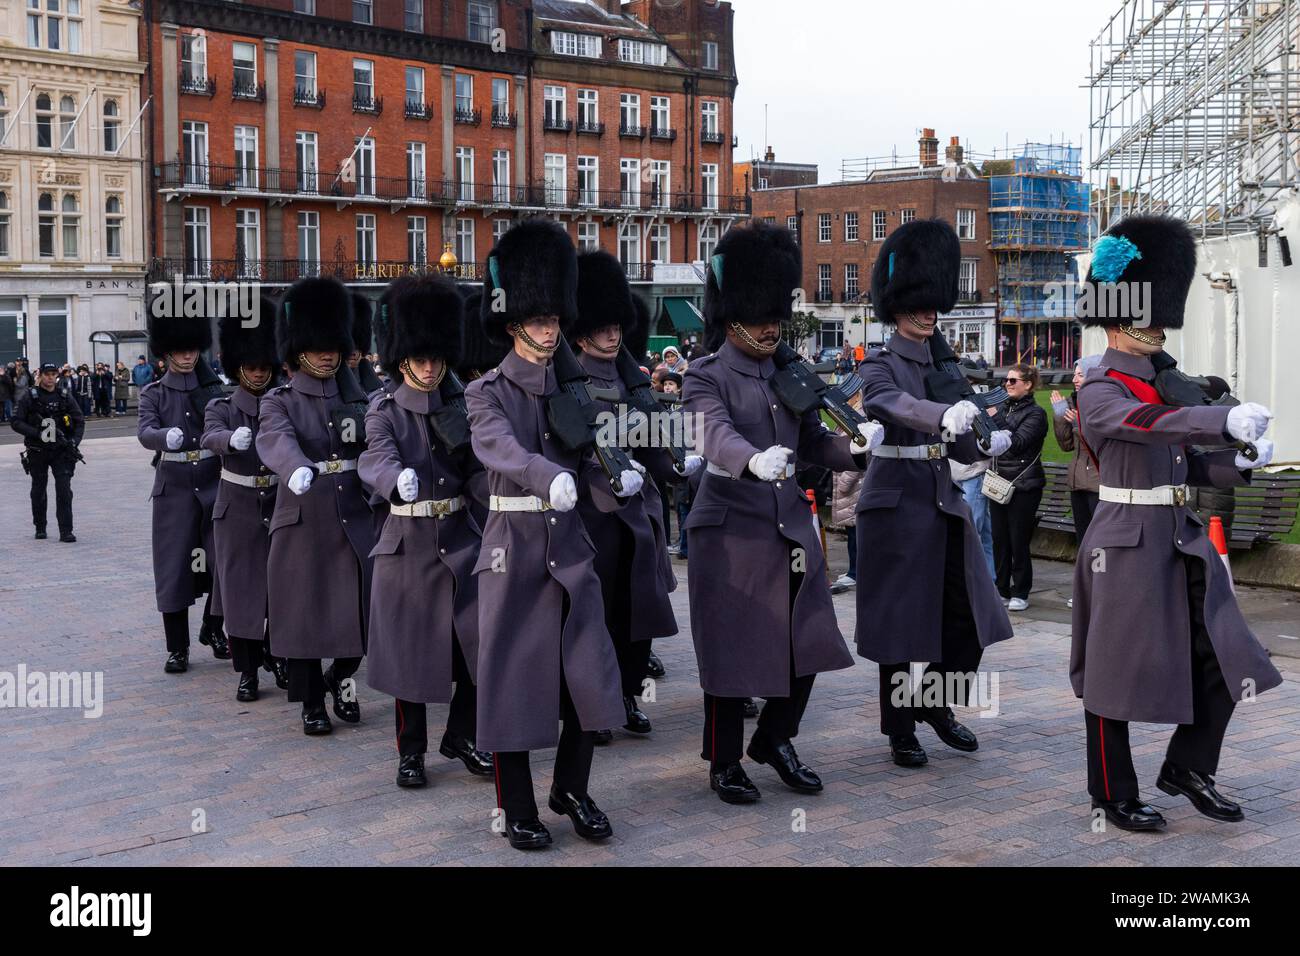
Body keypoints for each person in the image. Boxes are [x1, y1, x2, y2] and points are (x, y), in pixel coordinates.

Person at [1071, 214, 1283, 831]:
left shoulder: (1164, 384)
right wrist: (1219, 422)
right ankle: (1110, 792)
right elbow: (1140, 427)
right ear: (1117, 319)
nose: (1160, 326)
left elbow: (1186, 460)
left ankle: (1187, 767)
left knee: (1227, 655)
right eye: (1149, 314)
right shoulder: (1101, 385)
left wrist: (1240, 460)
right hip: (1124, 540)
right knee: (1113, 675)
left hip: (1177, 537)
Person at [683, 222, 882, 804]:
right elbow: (709, 432)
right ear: (731, 314)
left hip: (790, 526)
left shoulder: (786, 371)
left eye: (777, 314)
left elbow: (815, 441)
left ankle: (775, 737)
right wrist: (751, 460)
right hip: (731, 532)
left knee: (810, 640)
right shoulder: (705, 376)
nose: (772, 325)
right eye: (762, 315)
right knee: (732, 651)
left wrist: (855, 446)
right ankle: (724, 762)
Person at [465, 218, 638, 850]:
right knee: (513, 683)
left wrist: (616, 477)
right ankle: (517, 807)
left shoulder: (573, 391)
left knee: (589, 677)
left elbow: (592, 458)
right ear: (513, 323)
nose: (548, 328)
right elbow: (497, 447)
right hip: (514, 548)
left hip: (571, 548)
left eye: (553, 317)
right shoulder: (486, 391)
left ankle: (571, 788)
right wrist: (545, 475)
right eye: (536, 318)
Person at [853, 219, 1015, 769]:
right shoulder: (878, 363)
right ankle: (900, 729)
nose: (928, 313)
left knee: (971, 612)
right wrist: (943, 416)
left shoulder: (945, 365)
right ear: (895, 308)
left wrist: (987, 436)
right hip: (895, 498)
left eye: (932, 305)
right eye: (917, 305)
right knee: (898, 622)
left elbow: (965, 437)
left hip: (942, 497)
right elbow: (891, 405)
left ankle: (934, 704)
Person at [360, 274, 493, 788]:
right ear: (402, 358)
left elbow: (479, 471)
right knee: (410, 659)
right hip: (408, 546)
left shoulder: (460, 406)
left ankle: (460, 734)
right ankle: (410, 751)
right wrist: (397, 480)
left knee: (482, 647)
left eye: (438, 358)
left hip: (461, 541)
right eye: (421, 358)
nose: (431, 366)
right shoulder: (385, 412)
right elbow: (374, 458)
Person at [570, 251, 696, 738]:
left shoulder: (634, 380)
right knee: (594, 618)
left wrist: (679, 464)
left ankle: (627, 694)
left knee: (637, 615)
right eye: (602, 327)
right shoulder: (569, 380)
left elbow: (653, 446)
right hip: (592, 514)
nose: (612, 334)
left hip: (640, 513)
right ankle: (593, 705)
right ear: (582, 330)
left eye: (616, 325)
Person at [257, 276, 376, 736]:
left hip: (352, 516)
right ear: (298, 348)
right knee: (304, 616)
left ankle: (340, 678)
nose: (328, 353)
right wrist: (294, 467)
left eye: (334, 344)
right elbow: (274, 439)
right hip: (303, 518)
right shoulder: (280, 401)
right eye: (319, 345)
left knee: (360, 614)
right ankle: (311, 702)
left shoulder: (357, 397)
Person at [201, 298, 289, 702]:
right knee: (240, 595)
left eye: (263, 366)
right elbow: (209, 436)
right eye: (251, 366)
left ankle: (281, 653)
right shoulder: (221, 406)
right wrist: (227, 442)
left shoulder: (281, 403)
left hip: (278, 504)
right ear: (238, 367)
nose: (257, 372)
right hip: (236, 507)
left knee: (281, 588)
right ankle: (248, 671)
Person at [137, 309, 228, 672]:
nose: (189, 356)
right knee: (174, 567)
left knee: (223, 560)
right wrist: (163, 438)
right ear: (167, 354)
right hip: (174, 489)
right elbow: (145, 432)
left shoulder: (213, 391)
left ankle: (213, 626)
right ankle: (178, 647)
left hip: (213, 480)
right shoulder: (154, 393)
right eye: (181, 350)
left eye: (193, 349)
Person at [988, 363, 1048, 612]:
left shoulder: (1036, 414)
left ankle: (1021, 591)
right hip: (999, 480)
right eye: (1006, 380)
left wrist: (996, 418)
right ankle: (1001, 588)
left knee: (1018, 539)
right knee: (999, 539)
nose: (1007, 384)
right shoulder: (1004, 407)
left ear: (1028, 384)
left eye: (1013, 381)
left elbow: (1018, 443)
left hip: (1024, 485)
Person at [12, 362, 84, 541]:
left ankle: (66, 531)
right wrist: (37, 433)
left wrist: (74, 442)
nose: (50, 377)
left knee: (64, 490)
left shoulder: (65, 396)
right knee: (38, 489)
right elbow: (16, 421)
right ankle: (40, 526)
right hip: (38, 450)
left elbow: (79, 420)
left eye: (53, 374)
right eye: (47, 374)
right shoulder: (30, 396)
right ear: (41, 376)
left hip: (61, 450)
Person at [1051, 356, 1102, 545]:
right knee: (1083, 541)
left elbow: (1099, 446)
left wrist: (1079, 425)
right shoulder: (1076, 403)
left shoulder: (1103, 406)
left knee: (1096, 542)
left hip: (1098, 485)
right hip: (1077, 483)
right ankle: (1085, 575)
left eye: (1080, 375)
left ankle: (1097, 575)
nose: (1074, 380)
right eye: (1074, 375)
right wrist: (1060, 414)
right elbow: (1066, 445)